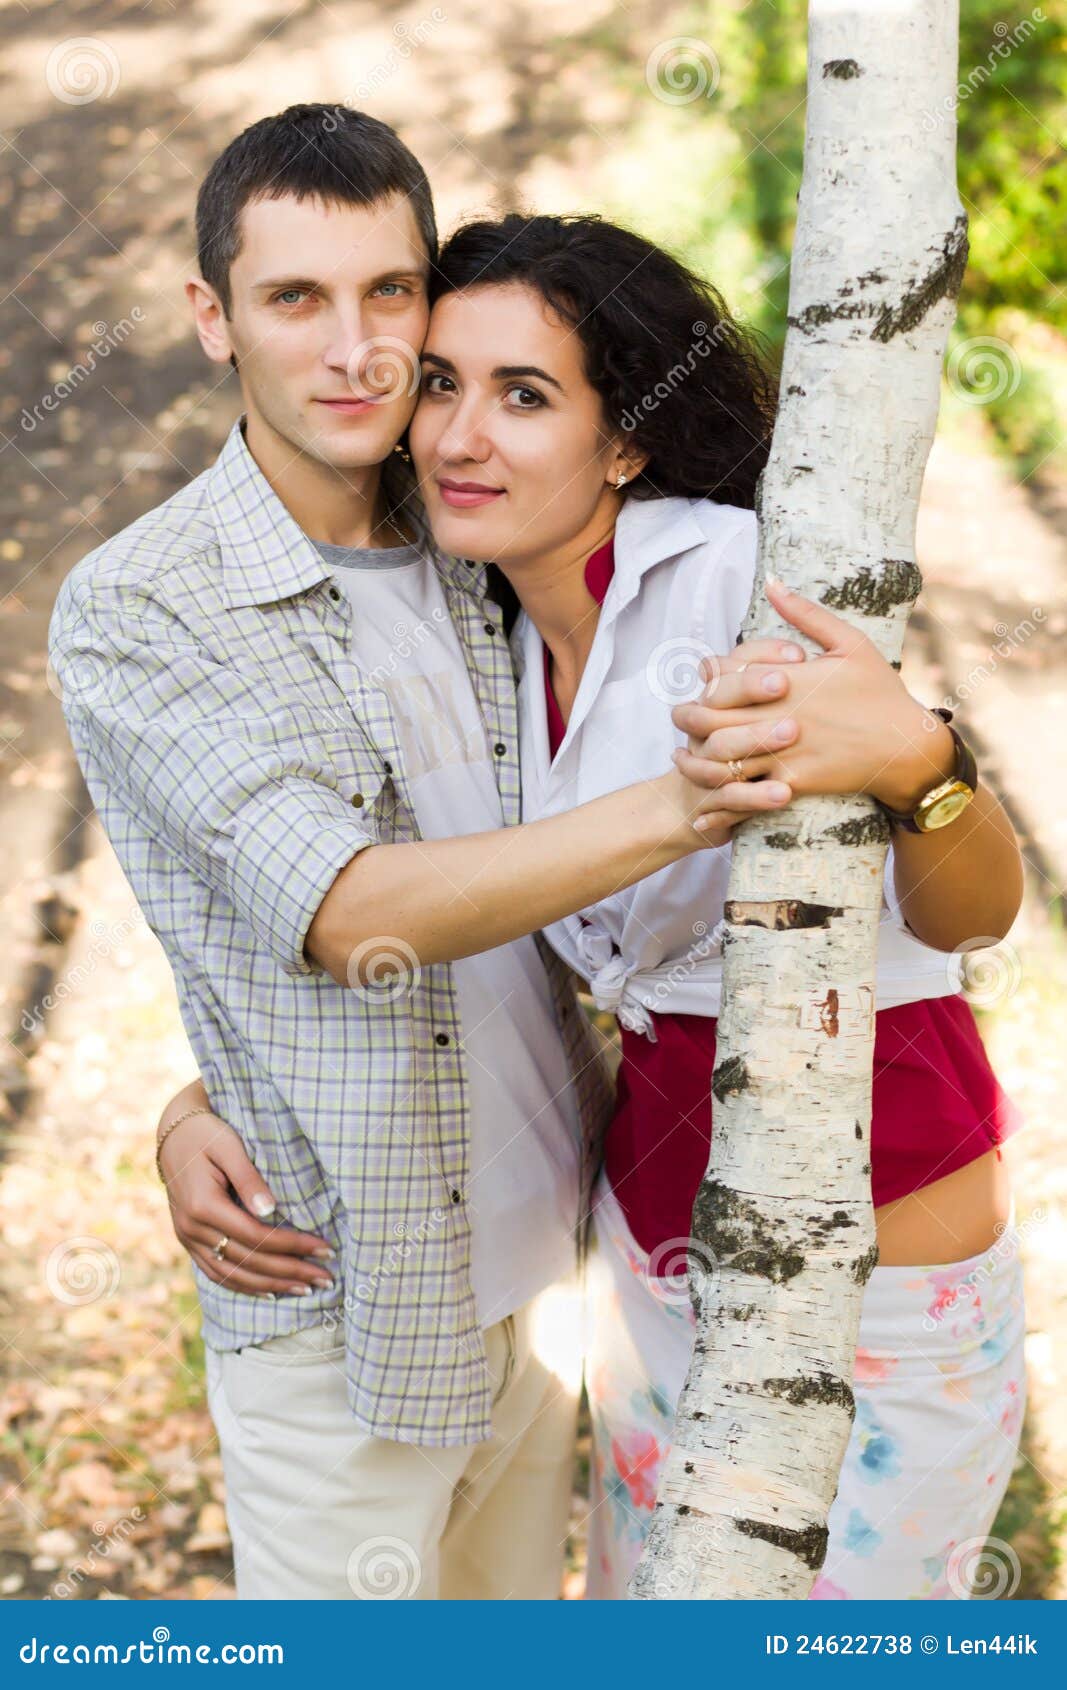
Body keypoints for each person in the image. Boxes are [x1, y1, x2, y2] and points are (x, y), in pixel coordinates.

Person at [173, 210, 1027, 1600]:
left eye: (524, 395)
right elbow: (407, 906)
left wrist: (925, 765)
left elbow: (971, 915)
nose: (459, 436)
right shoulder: (473, 629)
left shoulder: (737, 587)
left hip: (870, 1235)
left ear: (622, 439)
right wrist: (197, 1098)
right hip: (648, 1242)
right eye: (439, 384)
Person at [47, 109, 789, 1602]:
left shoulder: (474, 537)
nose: (355, 349)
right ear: (214, 317)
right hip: (350, 1312)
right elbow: (352, 911)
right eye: (293, 298)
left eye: (390, 293)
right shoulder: (145, 605)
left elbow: (508, 882)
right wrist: (700, 795)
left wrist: (199, 1092)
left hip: (544, 1283)